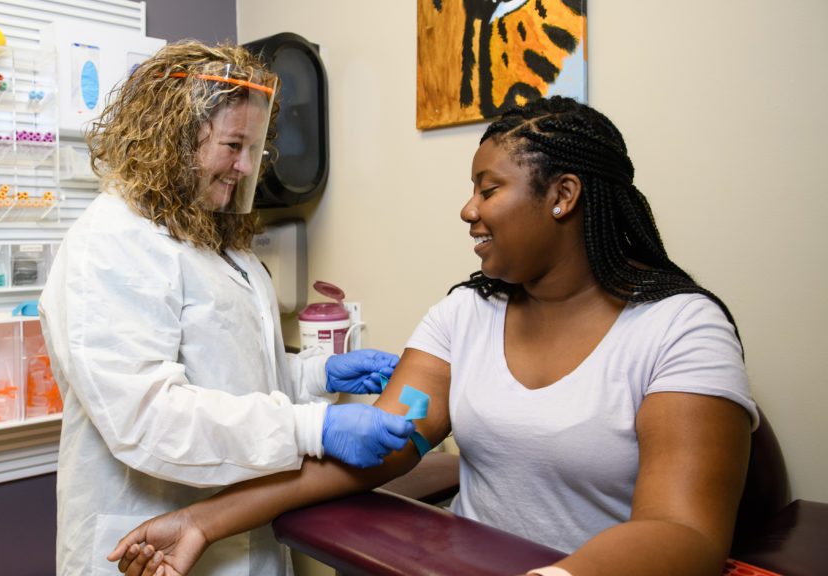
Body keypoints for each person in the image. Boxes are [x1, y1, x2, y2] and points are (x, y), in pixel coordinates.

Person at [108, 96, 758, 576]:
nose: (468, 210)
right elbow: (384, 446)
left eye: (488, 188)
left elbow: (684, 531)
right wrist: (200, 520)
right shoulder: (464, 318)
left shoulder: (681, 330)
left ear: (563, 196)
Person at [37, 40, 415, 576]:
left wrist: (314, 374)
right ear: (173, 136)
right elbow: (148, 416)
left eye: (255, 147)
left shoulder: (216, 235)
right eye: (233, 145)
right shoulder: (112, 243)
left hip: (241, 532)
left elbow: (230, 372)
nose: (246, 166)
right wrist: (312, 427)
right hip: (147, 537)